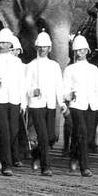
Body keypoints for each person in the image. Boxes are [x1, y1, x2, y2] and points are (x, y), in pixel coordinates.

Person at [23, 31, 64, 175]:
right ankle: (46, 167)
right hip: (36, 105)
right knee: (43, 136)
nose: (42, 49)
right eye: (40, 47)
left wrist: (62, 103)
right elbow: (25, 87)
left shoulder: (54, 66)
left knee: (51, 136)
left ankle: (36, 153)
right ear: (36, 48)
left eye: (45, 47)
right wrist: (31, 93)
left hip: (51, 104)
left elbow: (59, 86)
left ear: (50, 48)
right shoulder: (30, 66)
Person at [0, 29, 24, 176]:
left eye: (5, 42)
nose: (2, 45)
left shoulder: (17, 62)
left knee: (13, 130)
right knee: (5, 131)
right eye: (0, 42)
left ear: (10, 44)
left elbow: (22, 83)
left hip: (14, 100)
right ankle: (7, 165)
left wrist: (23, 103)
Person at [64, 35, 98, 177]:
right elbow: (65, 90)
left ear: (87, 51)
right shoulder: (70, 69)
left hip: (92, 106)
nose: (80, 53)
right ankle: (84, 167)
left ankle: (74, 154)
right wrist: (69, 95)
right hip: (77, 105)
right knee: (82, 133)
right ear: (74, 52)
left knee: (87, 137)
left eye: (82, 50)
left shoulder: (94, 69)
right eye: (77, 50)